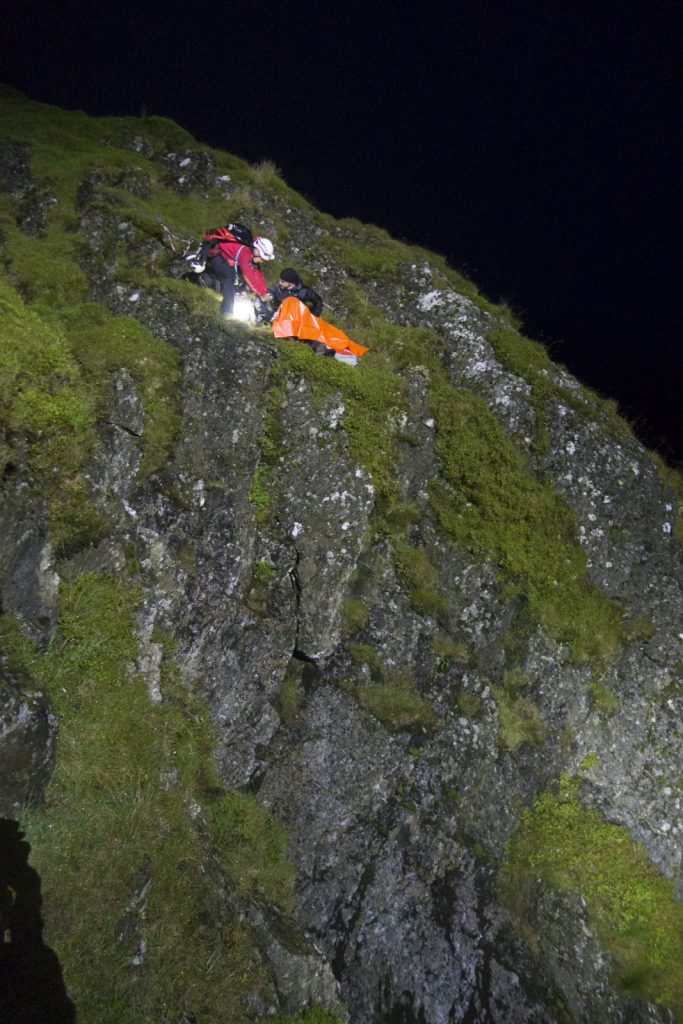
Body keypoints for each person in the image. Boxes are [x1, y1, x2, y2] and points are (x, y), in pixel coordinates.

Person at [195, 226, 275, 316]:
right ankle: (226, 312)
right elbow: (248, 274)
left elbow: (257, 273)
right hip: (217, 254)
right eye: (262, 258)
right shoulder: (245, 251)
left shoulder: (251, 252)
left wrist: (265, 291)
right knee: (229, 279)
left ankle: (207, 281)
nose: (262, 261)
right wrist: (262, 293)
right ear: (257, 251)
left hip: (224, 258)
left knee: (232, 279)